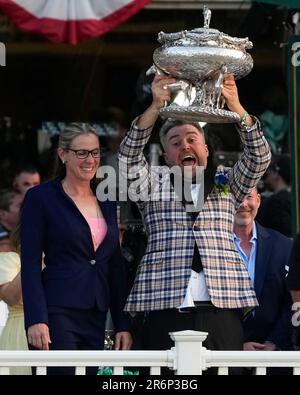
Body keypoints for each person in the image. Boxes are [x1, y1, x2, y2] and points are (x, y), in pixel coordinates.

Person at [118, 73, 271, 356]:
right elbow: (128, 157)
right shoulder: (151, 183)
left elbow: (259, 157)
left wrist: (236, 108)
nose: (185, 145)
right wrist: (155, 107)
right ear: (165, 156)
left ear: (206, 150)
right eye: (175, 142)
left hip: (222, 308)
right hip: (165, 306)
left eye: (192, 139)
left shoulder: (227, 181)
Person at [21, 123, 132, 375]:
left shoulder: (106, 201)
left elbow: (114, 265)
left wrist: (122, 322)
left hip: (95, 313)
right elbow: (29, 263)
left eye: (94, 152)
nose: (90, 159)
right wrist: (36, 318)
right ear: (63, 155)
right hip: (56, 311)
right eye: (81, 153)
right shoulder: (41, 198)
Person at [233, 187, 293, 355]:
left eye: (249, 197)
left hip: (275, 357)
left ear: (258, 200)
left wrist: (274, 342)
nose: (243, 204)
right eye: (237, 197)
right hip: (226, 357)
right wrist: (236, 345)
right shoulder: (212, 247)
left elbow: (292, 302)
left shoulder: (283, 246)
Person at [0, 225, 30, 375]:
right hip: (20, 330)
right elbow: (11, 298)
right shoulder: (10, 260)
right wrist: (33, 259)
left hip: (57, 328)